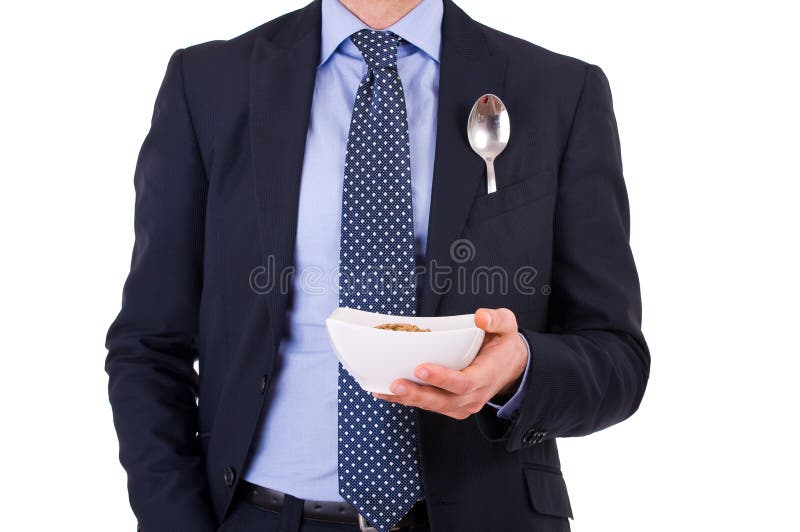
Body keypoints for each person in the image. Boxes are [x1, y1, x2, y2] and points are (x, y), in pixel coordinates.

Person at [105, 0, 650, 530]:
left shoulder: (559, 90)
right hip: (260, 515)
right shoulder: (207, 84)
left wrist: (519, 367)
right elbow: (149, 345)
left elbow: (617, 359)